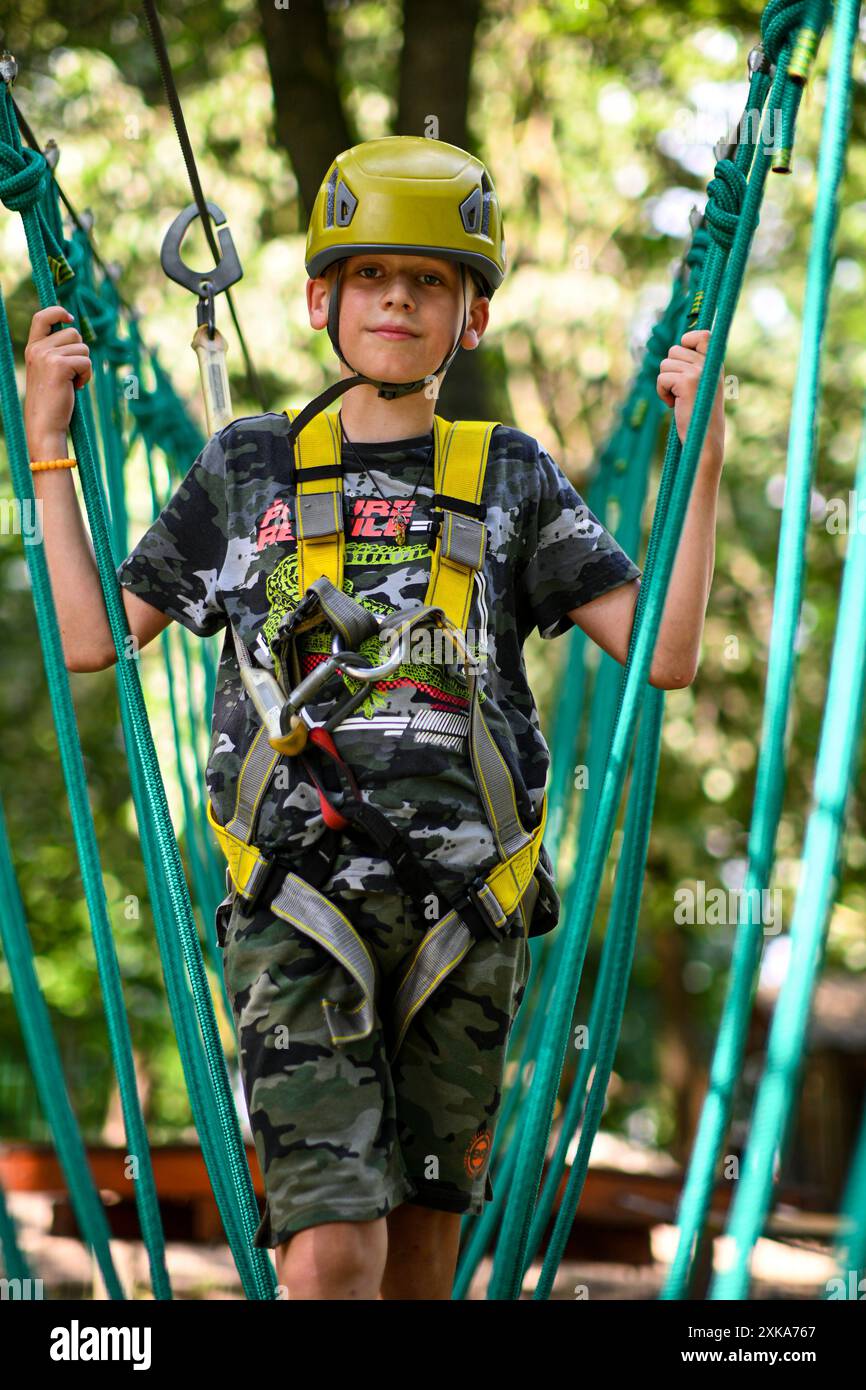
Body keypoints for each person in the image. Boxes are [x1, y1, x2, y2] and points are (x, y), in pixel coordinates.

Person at [24, 135, 726, 1300]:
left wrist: (696, 457)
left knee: (417, 1259)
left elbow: (663, 653)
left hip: (467, 913)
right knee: (334, 1243)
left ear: (473, 317)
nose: (396, 297)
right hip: (298, 907)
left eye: (430, 281)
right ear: (318, 299)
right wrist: (47, 449)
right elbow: (94, 637)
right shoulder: (244, 469)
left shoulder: (509, 474)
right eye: (368, 276)